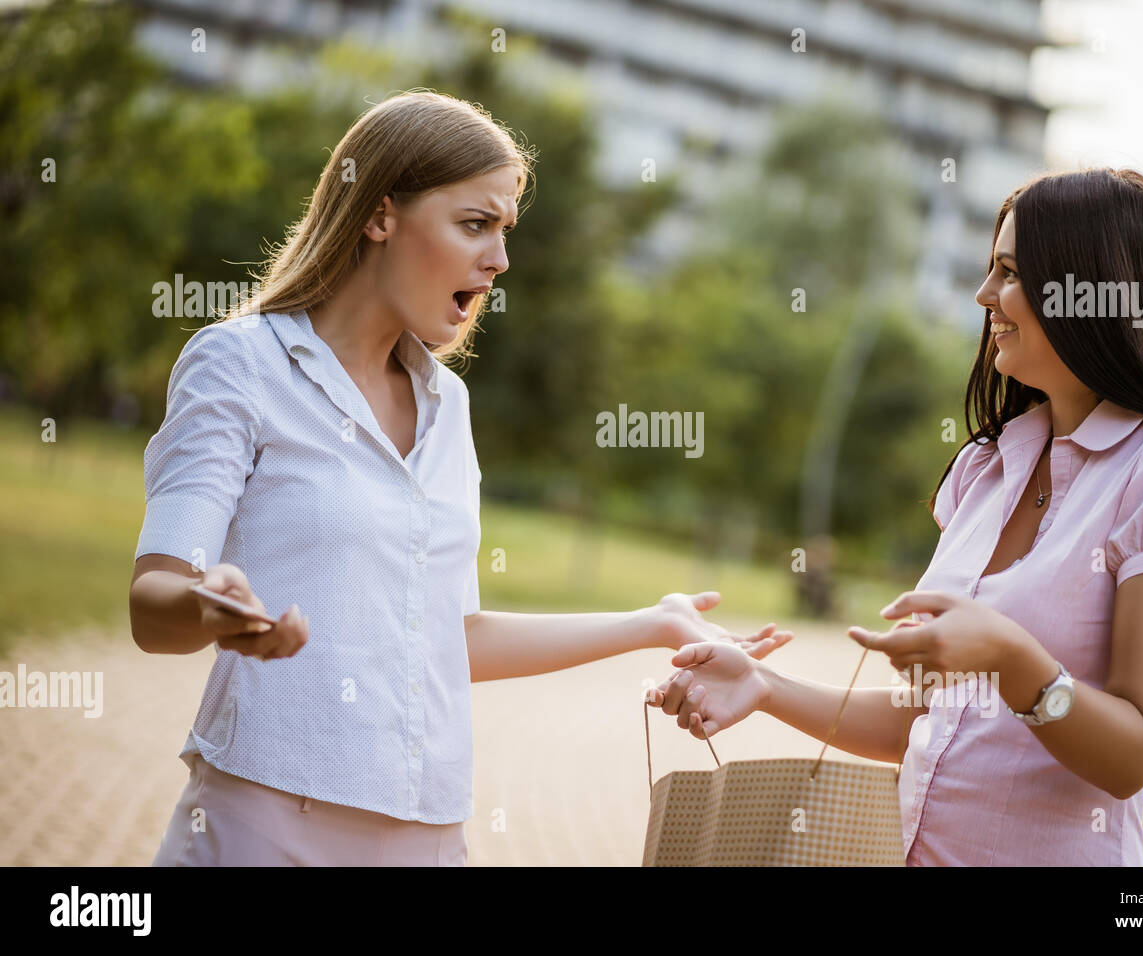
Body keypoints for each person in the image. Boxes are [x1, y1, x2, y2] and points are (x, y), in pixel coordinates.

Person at [129, 90, 792, 867]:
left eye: (505, 231)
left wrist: (656, 620)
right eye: (475, 224)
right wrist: (214, 608)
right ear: (380, 216)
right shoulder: (240, 364)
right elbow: (154, 601)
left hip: (430, 836)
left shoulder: (449, 403)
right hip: (264, 822)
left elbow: (449, 639)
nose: (501, 260)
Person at [649, 167, 1143, 866]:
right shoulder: (987, 468)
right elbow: (928, 722)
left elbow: (1132, 754)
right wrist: (764, 687)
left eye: (1009, 273)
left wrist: (1012, 658)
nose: (983, 295)